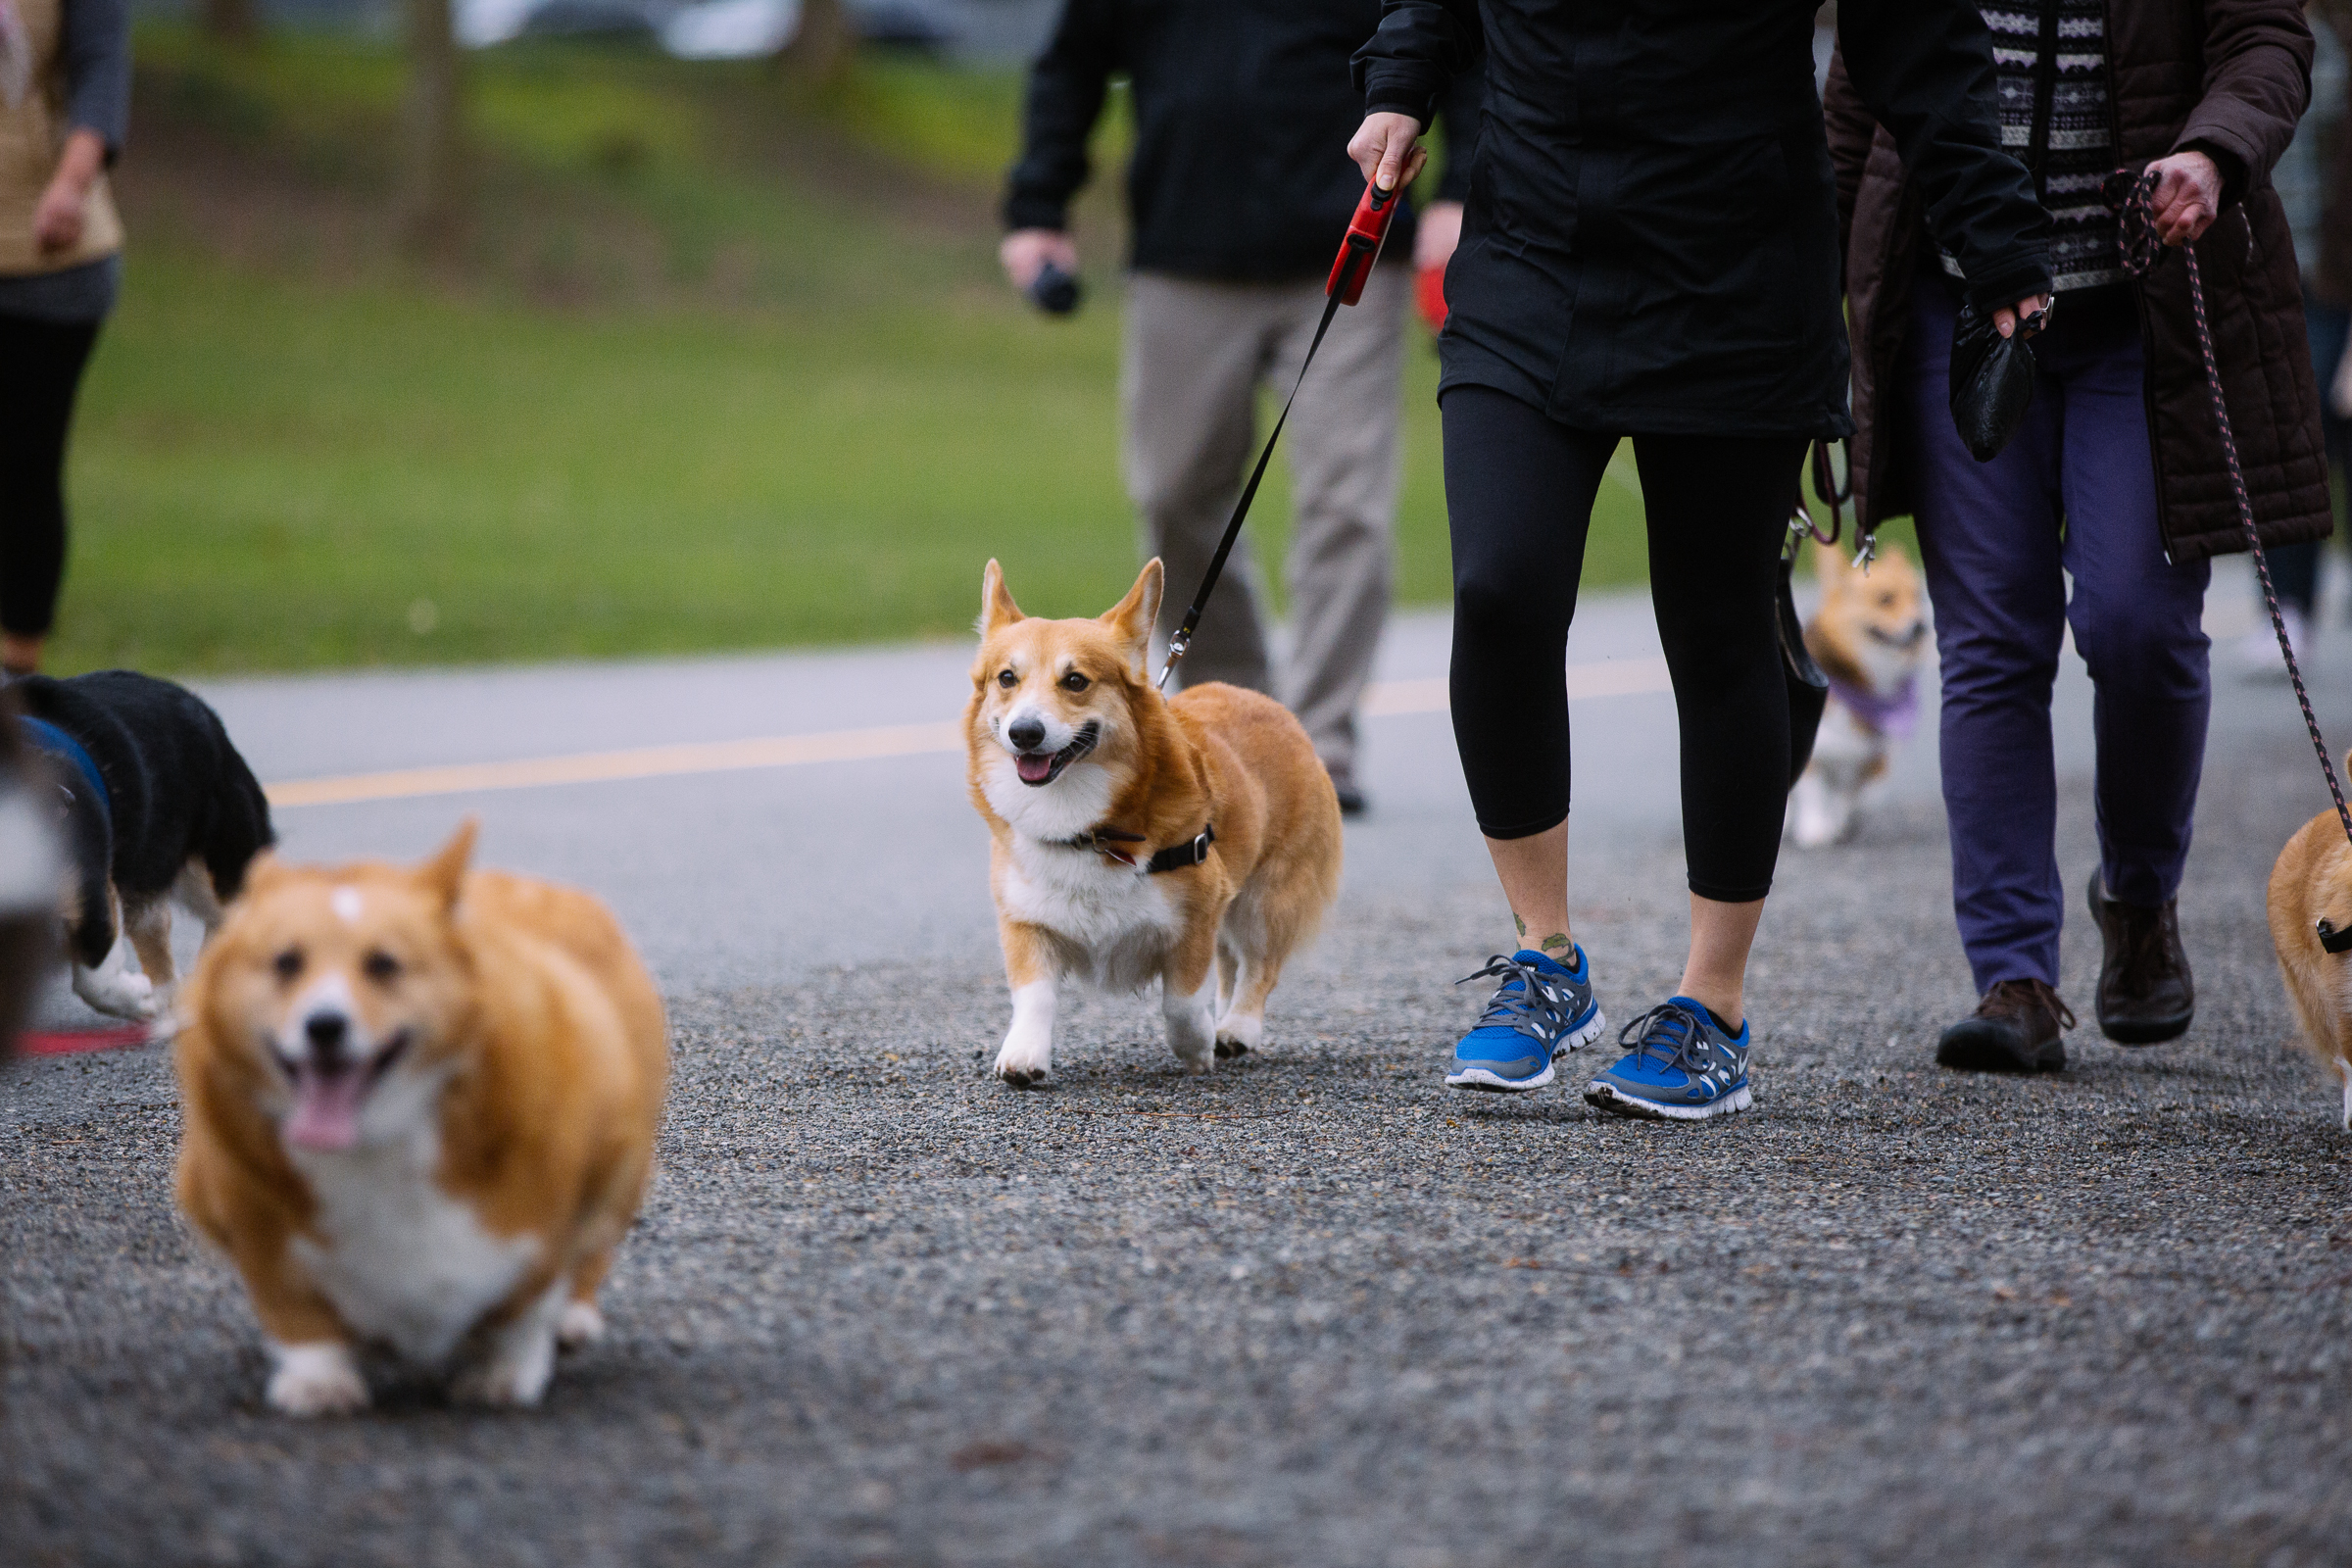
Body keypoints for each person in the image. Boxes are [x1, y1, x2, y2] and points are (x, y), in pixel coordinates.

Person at [1349, 1, 2050, 1119]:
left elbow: (1920, 39)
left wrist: (1997, 236)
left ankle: (1710, 1004)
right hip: (1531, 254)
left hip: (1736, 278)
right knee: (1498, 588)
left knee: (1718, 626)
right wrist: (1398, 84)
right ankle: (1543, 956)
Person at [1827, 0, 2327, 1073]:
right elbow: (1860, 89)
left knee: (2137, 625)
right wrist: (1812, 283)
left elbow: (2269, 40)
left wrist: (2212, 147)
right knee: (1994, 643)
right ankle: (2012, 976)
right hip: (1958, 307)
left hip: (2137, 313)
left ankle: (2139, 897)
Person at [999, 0, 1479, 815]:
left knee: (1346, 503)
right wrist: (1038, 205)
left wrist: (1458, 189)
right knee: (1173, 491)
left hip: (1351, 241)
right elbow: (1074, 58)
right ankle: (1246, 724)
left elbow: (1450, 34)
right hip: (1185, 250)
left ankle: (1319, 747)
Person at [0, 0, 129, 678]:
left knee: (24, 465)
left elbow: (101, 70)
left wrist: (72, 184)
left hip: (47, 260)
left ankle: (17, 683)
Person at [2248, 0, 2352, 674]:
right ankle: (2287, 604)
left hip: (2341, 274)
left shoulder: (2342, 27)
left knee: (2341, 422)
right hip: (2271, 272)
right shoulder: (2245, 19)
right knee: (2285, 432)